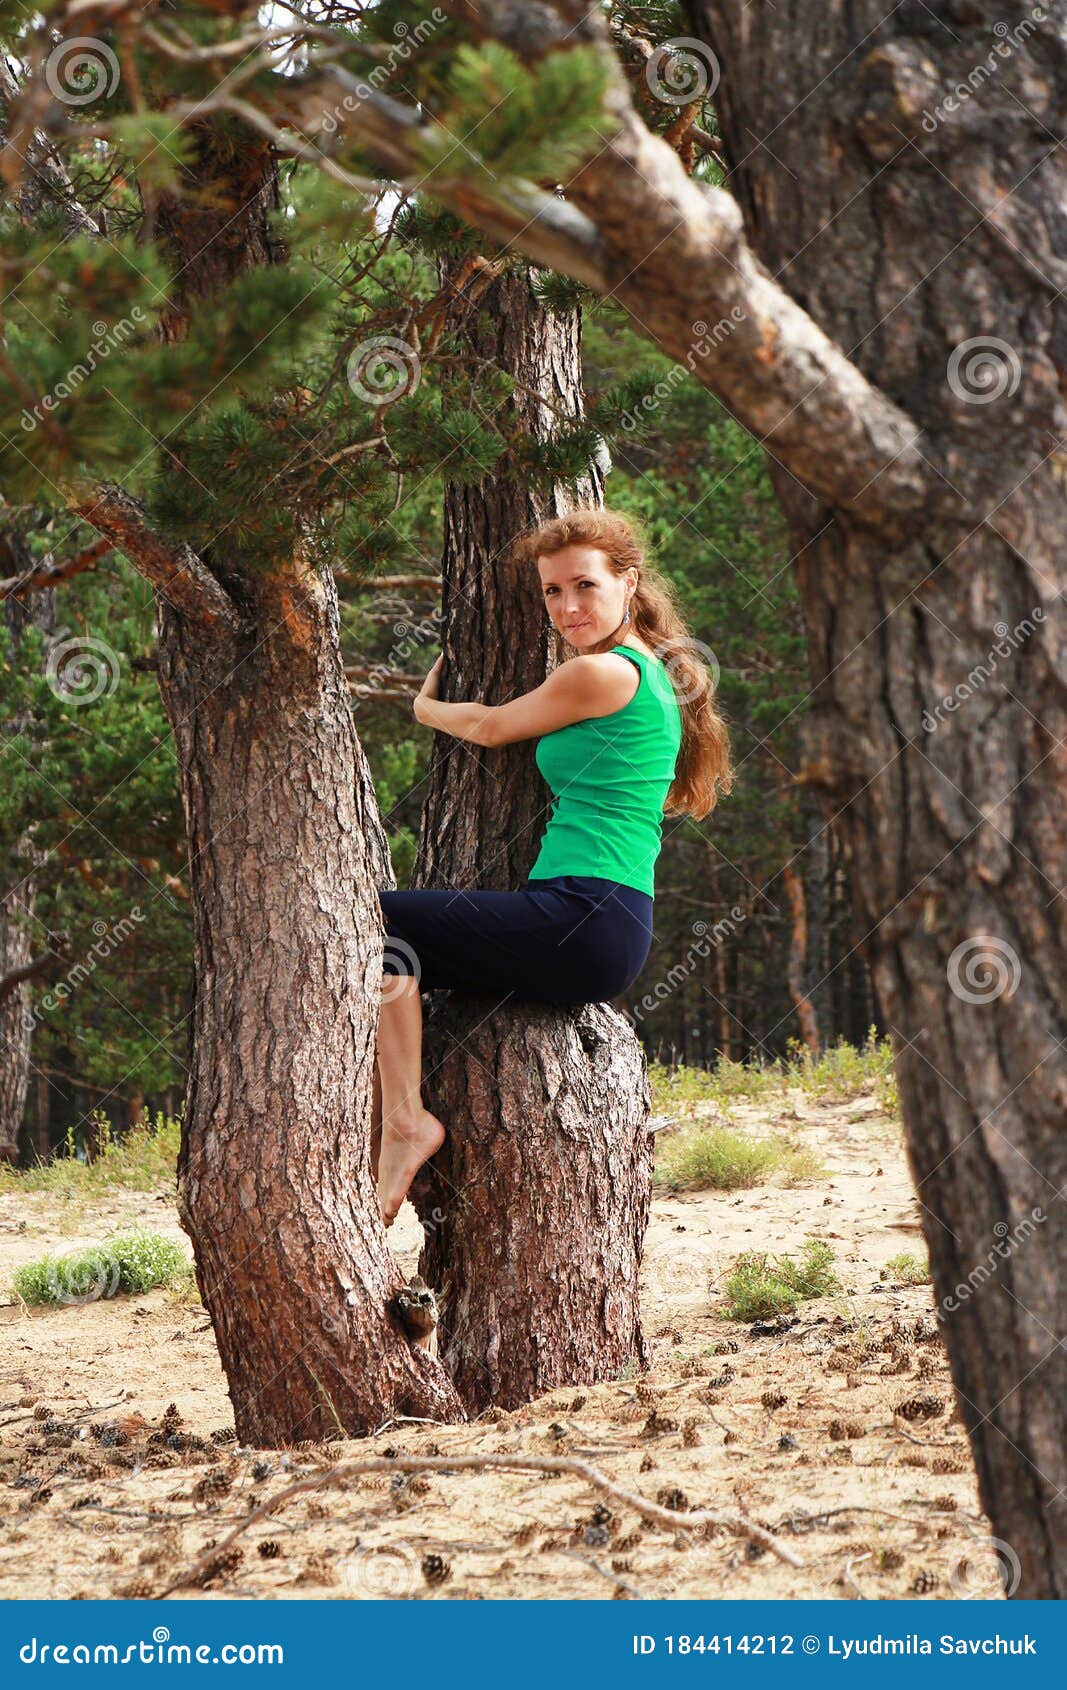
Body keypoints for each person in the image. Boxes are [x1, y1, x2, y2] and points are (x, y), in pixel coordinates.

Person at [371, 506, 733, 1226]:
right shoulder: (645, 674)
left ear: (628, 583)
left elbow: (490, 727)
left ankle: (407, 1125)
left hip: (585, 916)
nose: (567, 607)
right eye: (550, 592)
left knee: (376, 920)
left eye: (584, 586)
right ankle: (389, 1126)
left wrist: (423, 707)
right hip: (593, 923)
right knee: (391, 954)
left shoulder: (604, 672)